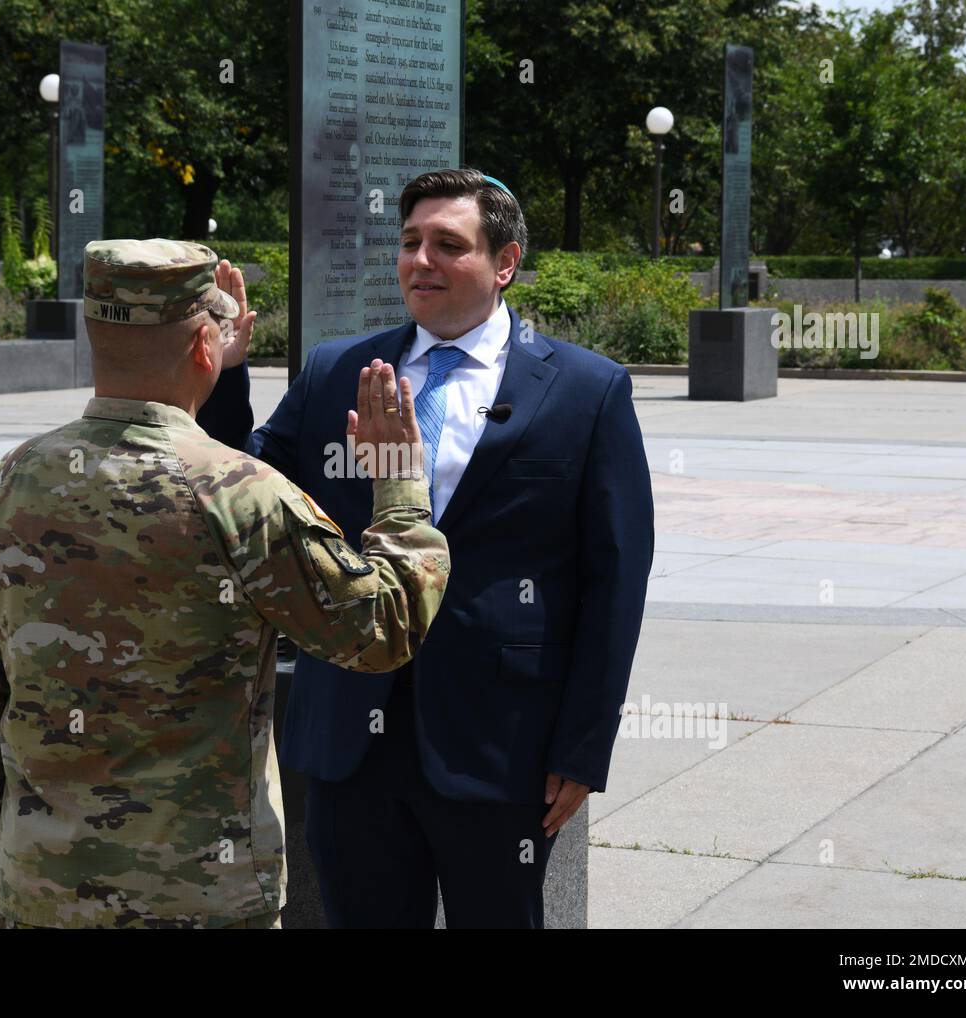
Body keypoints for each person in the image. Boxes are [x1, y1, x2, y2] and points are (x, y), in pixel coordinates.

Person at [0, 238, 450, 929]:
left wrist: (29, 834)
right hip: (205, 899)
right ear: (207, 347)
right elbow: (381, 630)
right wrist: (401, 488)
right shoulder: (242, 495)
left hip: (43, 892)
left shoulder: (5, 483)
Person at [198, 168, 655, 928]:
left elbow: (616, 578)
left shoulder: (585, 389)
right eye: (410, 242)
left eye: (449, 244)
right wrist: (227, 371)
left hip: (502, 744)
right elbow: (238, 484)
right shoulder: (340, 369)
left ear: (504, 263)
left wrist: (583, 747)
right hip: (350, 735)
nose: (421, 260)